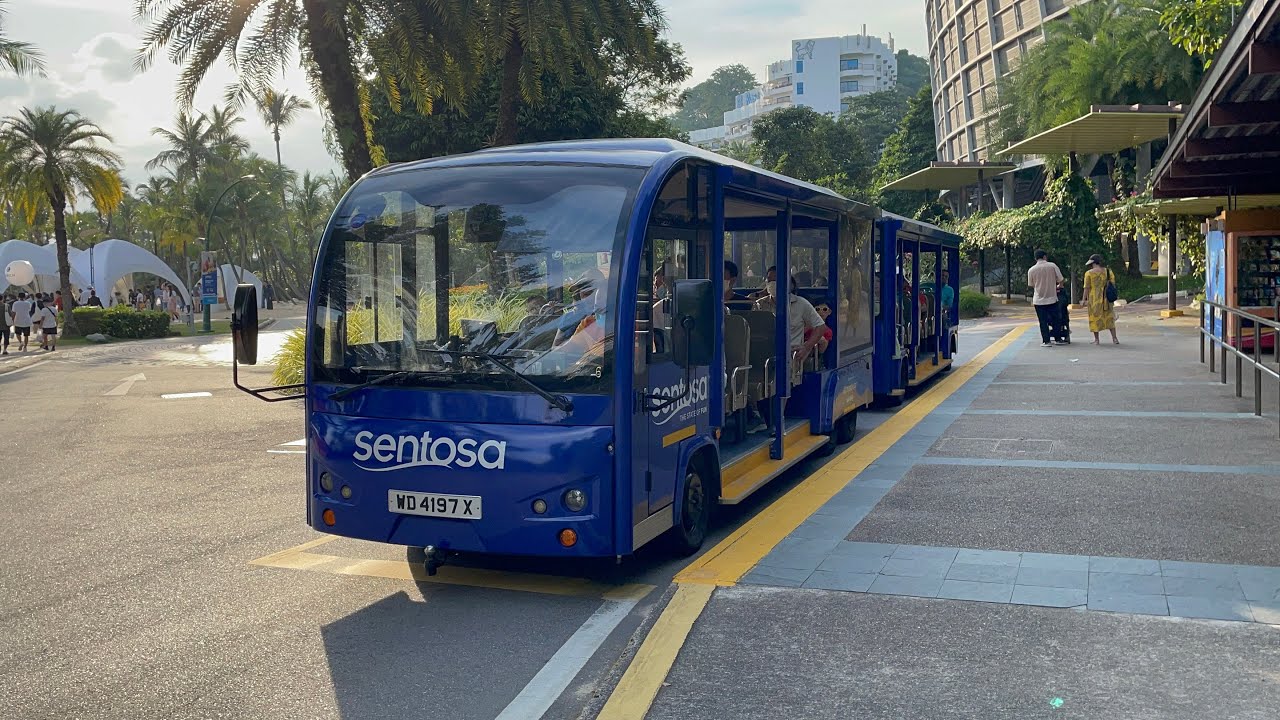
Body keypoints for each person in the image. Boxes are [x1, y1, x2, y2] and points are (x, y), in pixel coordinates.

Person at [1027, 249, 1064, 347]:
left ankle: (1046, 341)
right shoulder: (1052, 266)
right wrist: (1058, 286)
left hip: (1038, 300)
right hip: (1052, 298)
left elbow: (1031, 285)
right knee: (1056, 319)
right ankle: (1058, 339)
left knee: (1042, 321)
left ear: (1035, 258)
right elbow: (1061, 280)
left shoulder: (1031, 270)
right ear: (1044, 257)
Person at [1083, 254, 1119, 345]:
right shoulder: (1108, 271)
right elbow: (1113, 283)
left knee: (1094, 318)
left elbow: (1086, 287)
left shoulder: (1089, 273)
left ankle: (1097, 340)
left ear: (1093, 263)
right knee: (1109, 318)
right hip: (1106, 298)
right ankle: (1115, 338)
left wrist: (1084, 299)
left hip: (1094, 298)